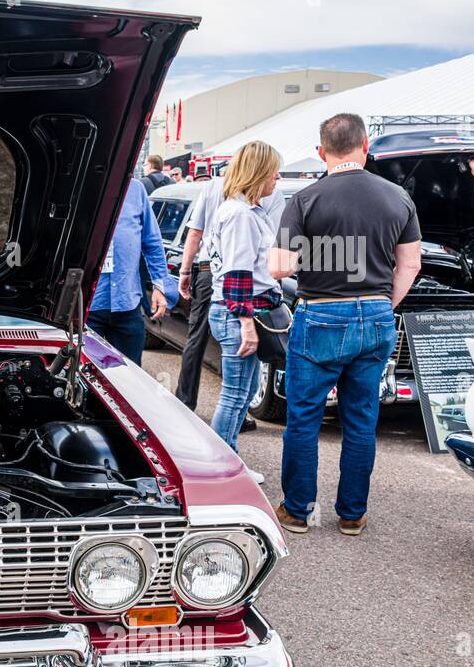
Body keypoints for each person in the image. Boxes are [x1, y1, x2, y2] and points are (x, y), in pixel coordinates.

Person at [270, 113, 422, 536]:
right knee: (361, 418)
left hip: (320, 312)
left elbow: (281, 268)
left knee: (303, 417)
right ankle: (352, 514)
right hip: (375, 315)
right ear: (365, 146)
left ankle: (297, 511)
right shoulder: (398, 198)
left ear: (322, 152)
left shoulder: (304, 200)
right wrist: (381, 303)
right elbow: (411, 263)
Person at [174, 160, 286, 412]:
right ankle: (236, 414)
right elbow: (275, 241)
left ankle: (185, 403)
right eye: (273, 172)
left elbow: (195, 233)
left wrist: (185, 270)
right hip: (242, 280)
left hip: (209, 270)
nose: (276, 177)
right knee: (236, 381)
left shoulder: (214, 188)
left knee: (197, 337)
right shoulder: (249, 208)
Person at [204, 141, 285, 485]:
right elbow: (238, 274)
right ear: (258, 173)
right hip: (237, 312)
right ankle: (221, 468)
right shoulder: (240, 215)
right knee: (236, 394)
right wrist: (247, 324)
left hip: (232, 310)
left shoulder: (238, 210)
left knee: (242, 392)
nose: (277, 178)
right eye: (273, 172)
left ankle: (229, 461)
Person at [87, 180, 177, 364]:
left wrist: (160, 287)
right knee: (84, 379)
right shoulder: (79, 185)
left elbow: (151, 241)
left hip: (127, 304)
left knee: (129, 380)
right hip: (85, 307)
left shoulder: (135, 188)